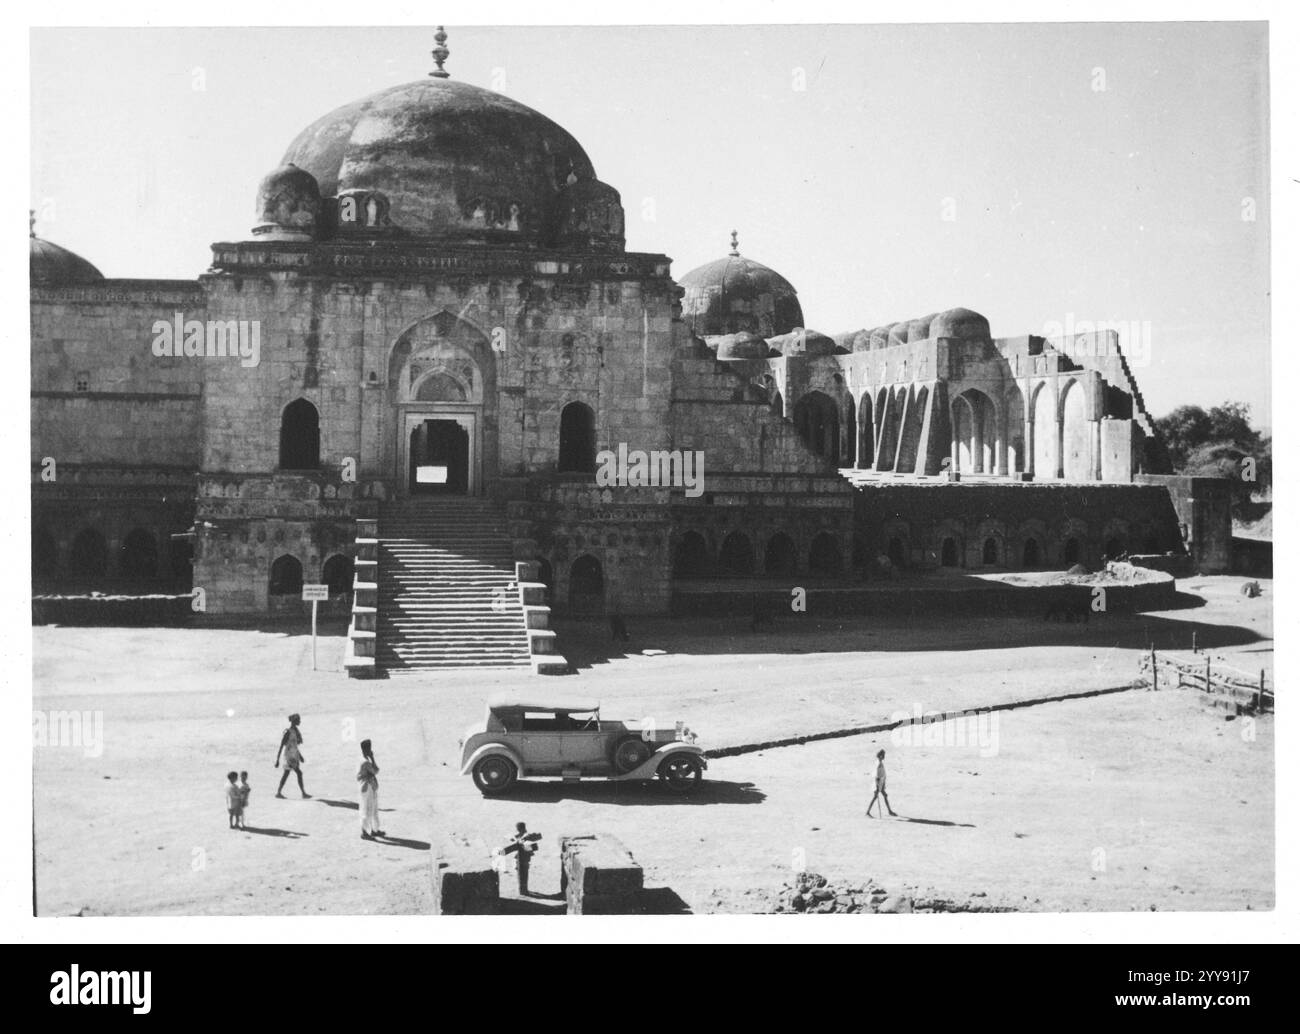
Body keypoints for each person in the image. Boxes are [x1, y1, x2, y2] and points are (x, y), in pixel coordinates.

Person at [274, 713, 310, 799]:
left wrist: (300, 756)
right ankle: (303, 793)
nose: (299, 721)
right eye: (298, 720)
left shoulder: (295, 731)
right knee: (298, 773)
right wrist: (277, 760)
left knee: (287, 773)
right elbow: (281, 745)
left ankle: (279, 792)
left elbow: (294, 745)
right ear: (294, 721)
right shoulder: (288, 732)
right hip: (289, 756)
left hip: (294, 755)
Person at [357, 739, 385, 840]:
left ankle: (374, 829)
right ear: (367, 749)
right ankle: (365, 832)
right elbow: (376, 770)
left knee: (373, 809)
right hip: (367, 787)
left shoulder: (362, 759)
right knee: (367, 809)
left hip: (369, 787)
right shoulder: (366, 762)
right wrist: (372, 758)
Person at [503, 822, 540, 896]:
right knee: (523, 874)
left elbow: (533, 847)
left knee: (522, 875)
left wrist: (521, 844)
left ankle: (523, 891)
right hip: (523, 859)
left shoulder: (526, 836)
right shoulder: (522, 835)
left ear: (519, 829)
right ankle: (524, 890)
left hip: (523, 859)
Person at [866, 749, 897, 818]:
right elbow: (876, 775)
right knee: (875, 797)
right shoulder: (878, 763)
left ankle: (889, 811)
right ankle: (867, 812)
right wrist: (877, 785)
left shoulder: (879, 762)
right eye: (883, 755)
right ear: (880, 756)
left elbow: (882, 774)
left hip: (881, 783)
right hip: (878, 783)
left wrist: (883, 784)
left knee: (885, 796)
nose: (884, 756)